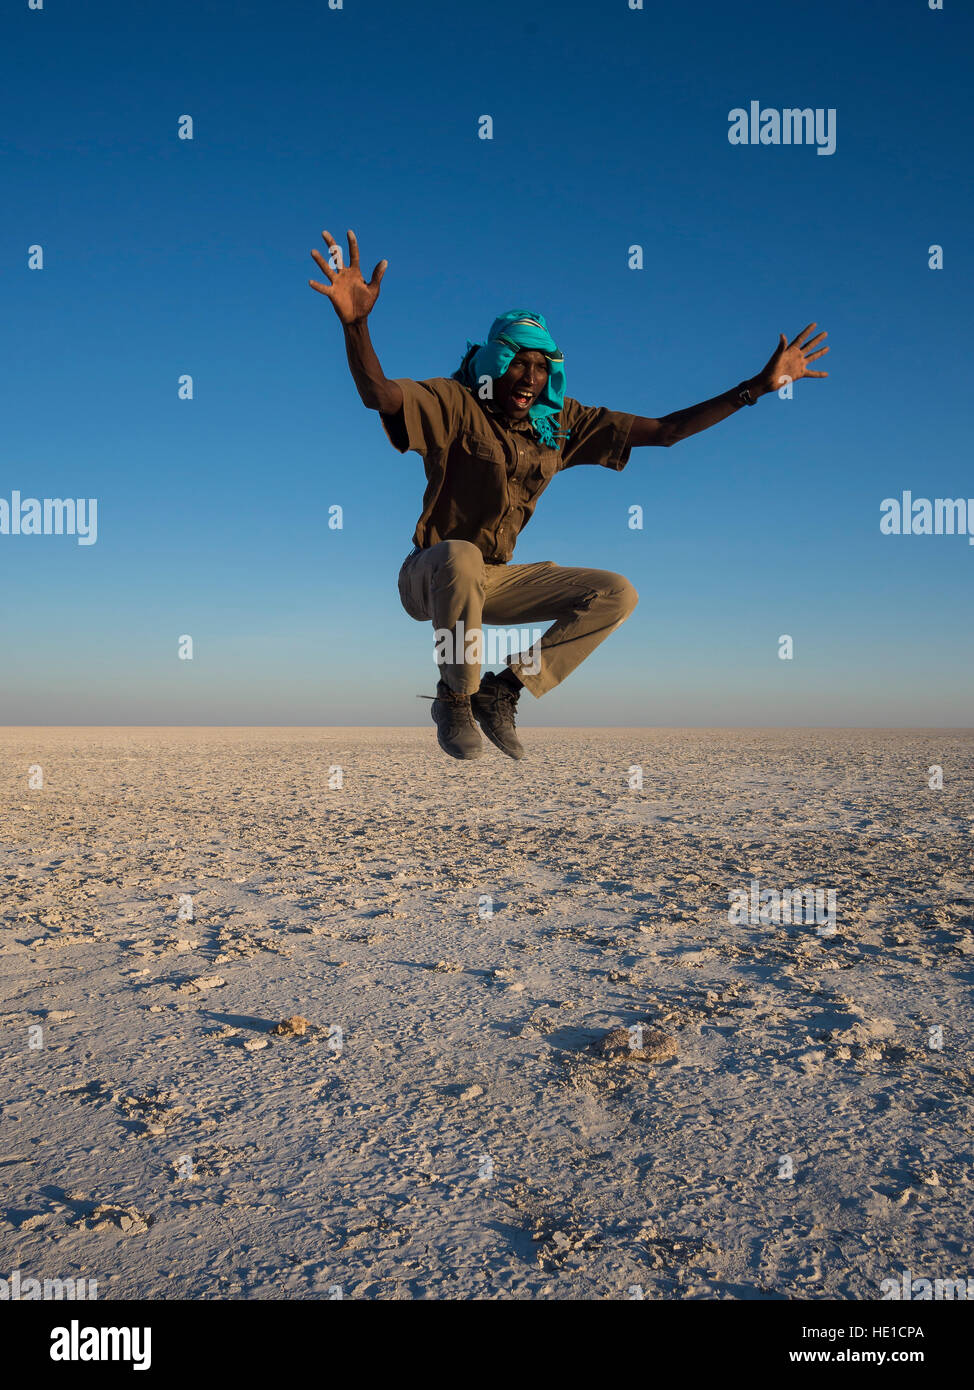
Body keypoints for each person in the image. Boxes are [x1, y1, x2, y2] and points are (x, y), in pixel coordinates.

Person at [310, 229, 829, 761]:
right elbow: (380, 393)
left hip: (494, 579)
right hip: (430, 574)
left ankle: (502, 691)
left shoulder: (560, 423)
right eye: (518, 362)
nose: (530, 377)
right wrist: (357, 324)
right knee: (462, 557)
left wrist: (754, 389)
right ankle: (456, 697)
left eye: (542, 367)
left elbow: (667, 430)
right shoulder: (455, 401)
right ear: (494, 360)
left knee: (615, 592)